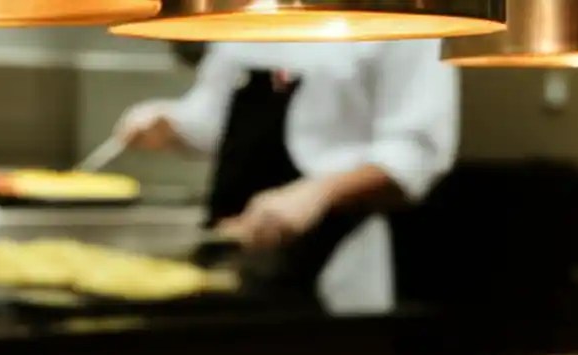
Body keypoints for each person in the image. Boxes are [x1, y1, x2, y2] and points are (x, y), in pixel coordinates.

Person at [116, 41, 459, 314]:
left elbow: (416, 152)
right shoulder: (248, 11)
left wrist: (317, 194)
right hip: (230, 257)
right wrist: (170, 125)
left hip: (332, 265)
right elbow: (215, 118)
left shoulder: (405, 16)